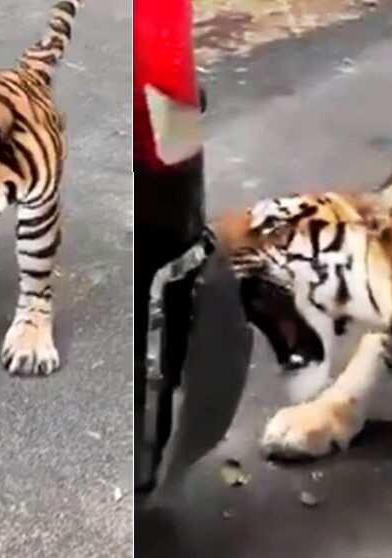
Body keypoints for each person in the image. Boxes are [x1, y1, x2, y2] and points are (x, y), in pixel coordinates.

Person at [134, 0, 252, 497]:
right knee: (167, 263)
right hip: (158, 90)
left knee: (170, 263)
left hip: (163, 92)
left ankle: (147, 437)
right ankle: (144, 440)